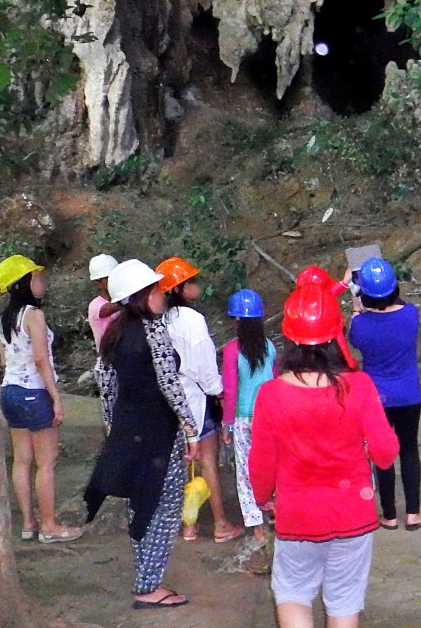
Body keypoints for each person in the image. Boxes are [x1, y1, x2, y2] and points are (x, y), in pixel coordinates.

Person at [249, 284, 399, 628]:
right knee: (344, 601)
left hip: (296, 515)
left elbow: (261, 461)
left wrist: (263, 498)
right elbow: (386, 452)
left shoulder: (270, 394)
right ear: (337, 333)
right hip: (352, 513)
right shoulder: (359, 387)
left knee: (293, 593)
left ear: (288, 336)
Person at [84, 259, 203, 610]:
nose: (162, 294)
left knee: (141, 506)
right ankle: (148, 585)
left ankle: (147, 577)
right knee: (164, 510)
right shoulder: (154, 332)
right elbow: (170, 384)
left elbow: (105, 384)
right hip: (159, 435)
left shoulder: (114, 333)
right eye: (156, 289)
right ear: (142, 295)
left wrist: (112, 426)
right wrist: (191, 430)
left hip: (128, 432)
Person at [0, 254, 82, 544]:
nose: (41, 282)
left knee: (21, 461)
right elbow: (42, 360)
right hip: (34, 392)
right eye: (36, 277)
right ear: (24, 283)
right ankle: (49, 525)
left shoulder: (4, 319)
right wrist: (56, 398)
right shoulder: (34, 315)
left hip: (10, 391)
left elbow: (4, 358)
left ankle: (29, 524)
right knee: (46, 463)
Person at [155, 256, 245, 544]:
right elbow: (204, 365)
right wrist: (218, 390)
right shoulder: (192, 320)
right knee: (207, 462)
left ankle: (189, 526)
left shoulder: (159, 319)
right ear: (180, 289)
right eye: (192, 281)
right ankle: (219, 523)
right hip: (195, 400)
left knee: (182, 464)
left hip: (169, 403)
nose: (198, 285)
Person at [347, 257, 421, 531]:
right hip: (409, 393)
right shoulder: (411, 315)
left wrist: (355, 301)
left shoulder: (360, 326)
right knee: (409, 450)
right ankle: (414, 513)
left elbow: (356, 336)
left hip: (377, 398)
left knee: (382, 453)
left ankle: (390, 515)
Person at [219, 288, 275, 543]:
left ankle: (257, 527)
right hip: (271, 416)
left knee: (245, 472)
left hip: (243, 418)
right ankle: (275, 510)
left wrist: (226, 425)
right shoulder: (270, 347)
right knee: (273, 466)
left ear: (236, 320)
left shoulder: (232, 350)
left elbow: (230, 391)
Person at [87, 253, 122, 351]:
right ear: (98, 283)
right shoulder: (95, 306)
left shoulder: (123, 299)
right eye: (108, 278)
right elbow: (110, 308)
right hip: (108, 359)